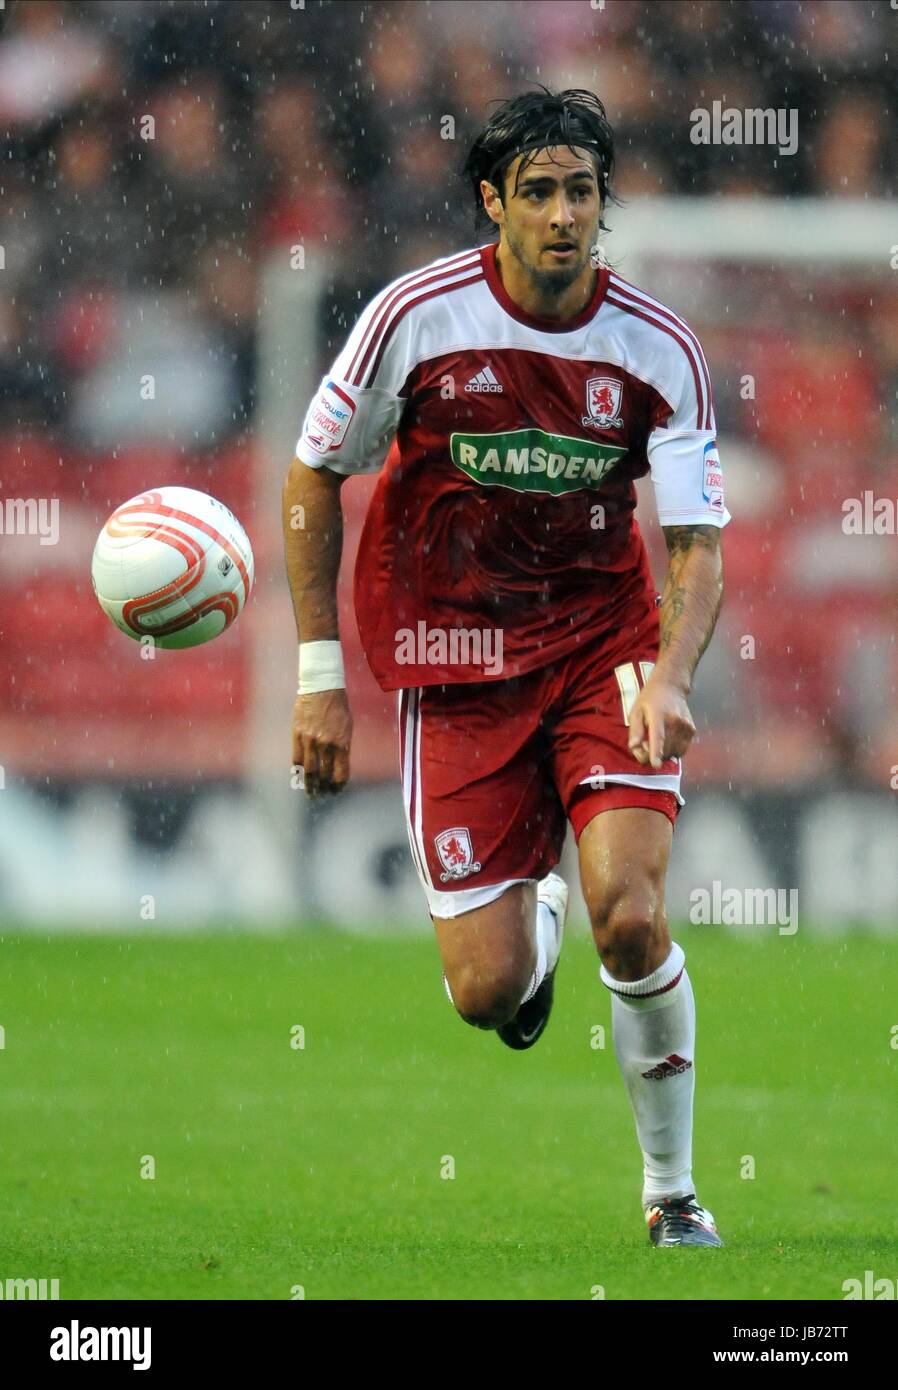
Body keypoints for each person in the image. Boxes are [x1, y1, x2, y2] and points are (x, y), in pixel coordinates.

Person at [283, 87, 728, 1247]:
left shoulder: (657, 347)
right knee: (485, 993)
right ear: (493, 202)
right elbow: (312, 473)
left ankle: (673, 1196)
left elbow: (696, 545)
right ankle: (527, 909)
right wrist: (317, 673)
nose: (563, 214)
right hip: (458, 654)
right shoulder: (414, 319)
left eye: (581, 191)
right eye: (538, 191)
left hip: (601, 646)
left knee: (629, 916)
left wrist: (673, 673)